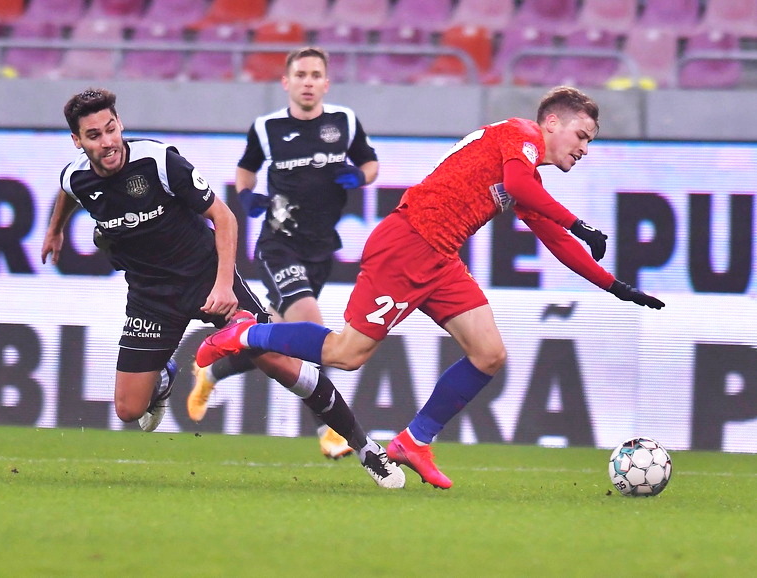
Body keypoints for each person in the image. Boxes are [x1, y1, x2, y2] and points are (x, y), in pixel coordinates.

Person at [195, 86, 665, 489]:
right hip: (408, 243)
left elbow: (554, 238)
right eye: (581, 136)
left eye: (589, 141)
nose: (584, 148)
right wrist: (580, 223)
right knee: (346, 354)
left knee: (489, 354)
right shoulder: (519, 135)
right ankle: (244, 333)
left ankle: (414, 441)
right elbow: (525, 191)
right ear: (553, 123)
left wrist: (616, 287)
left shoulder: (524, 165)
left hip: (441, 258)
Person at [40, 88, 404, 490]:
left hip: (208, 277)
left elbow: (225, 217)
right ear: (78, 141)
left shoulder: (159, 161)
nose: (107, 142)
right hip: (150, 296)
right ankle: (164, 378)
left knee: (278, 362)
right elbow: (68, 192)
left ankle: (367, 448)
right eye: (94, 135)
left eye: (111, 129)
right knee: (128, 409)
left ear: (120, 123)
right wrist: (55, 230)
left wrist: (224, 285)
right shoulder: (76, 176)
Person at [187, 46, 379, 460]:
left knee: (277, 341)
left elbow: (371, 163)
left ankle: (212, 370)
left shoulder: (344, 122)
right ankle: (330, 429)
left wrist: (359, 176)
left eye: (315, 75)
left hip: (321, 249)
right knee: (312, 326)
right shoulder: (267, 127)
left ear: (326, 83)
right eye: (301, 75)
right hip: (279, 244)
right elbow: (246, 168)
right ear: (286, 82)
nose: (308, 82)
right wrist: (246, 195)